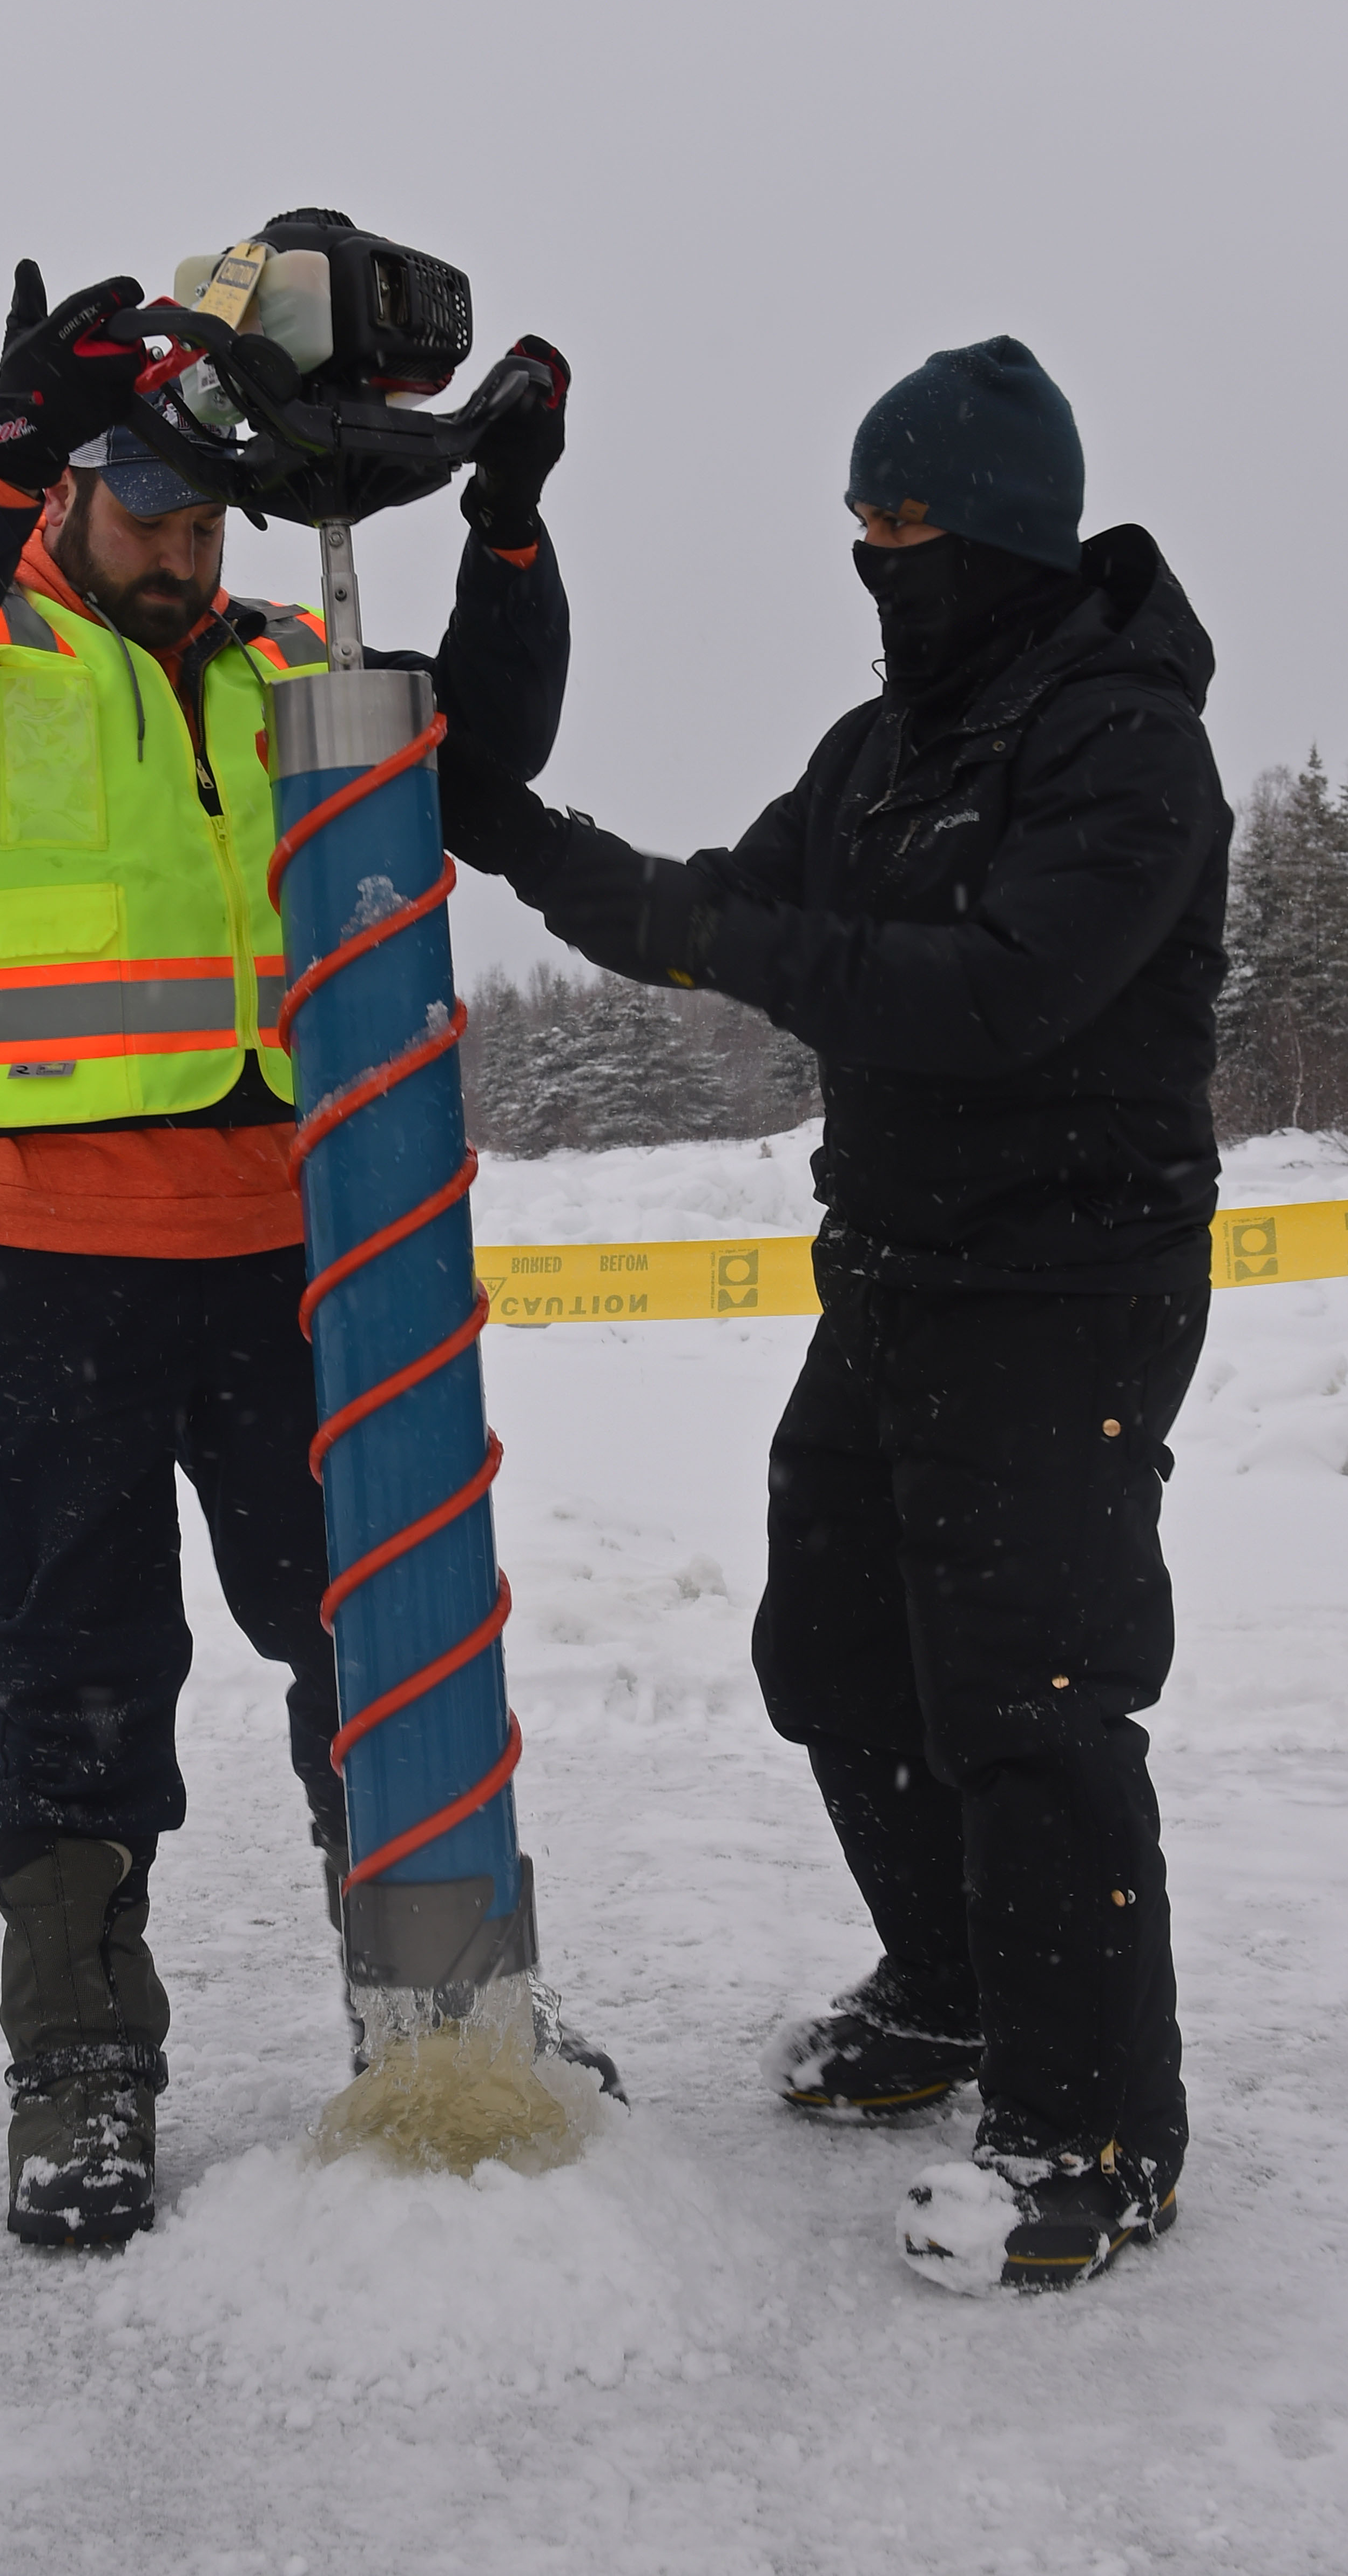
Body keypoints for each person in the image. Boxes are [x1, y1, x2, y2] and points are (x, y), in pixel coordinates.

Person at [0, 251, 584, 2245]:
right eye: (144, 508)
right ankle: (81, 2070)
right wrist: (4, 444)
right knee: (74, 1677)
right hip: (41, 1256)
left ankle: (448, 2018)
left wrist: (507, 530)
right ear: (71, 494)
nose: (181, 548)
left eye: (205, 516)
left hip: (285, 1256)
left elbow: (487, 765)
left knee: (373, 1639)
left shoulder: (285, 662)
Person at [436, 336, 1230, 2292]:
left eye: (906, 521)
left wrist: (724, 930)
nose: (875, 555)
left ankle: (1095, 2125)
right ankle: (949, 1988)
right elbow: (730, 907)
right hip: (888, 1274)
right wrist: (522, 839)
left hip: (1067, 1289)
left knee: (1033, 1701)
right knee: (837, 1655)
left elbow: (994, 996)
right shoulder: (878, 751)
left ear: (1004, 535)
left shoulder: (1123, 742)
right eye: (860, 519)